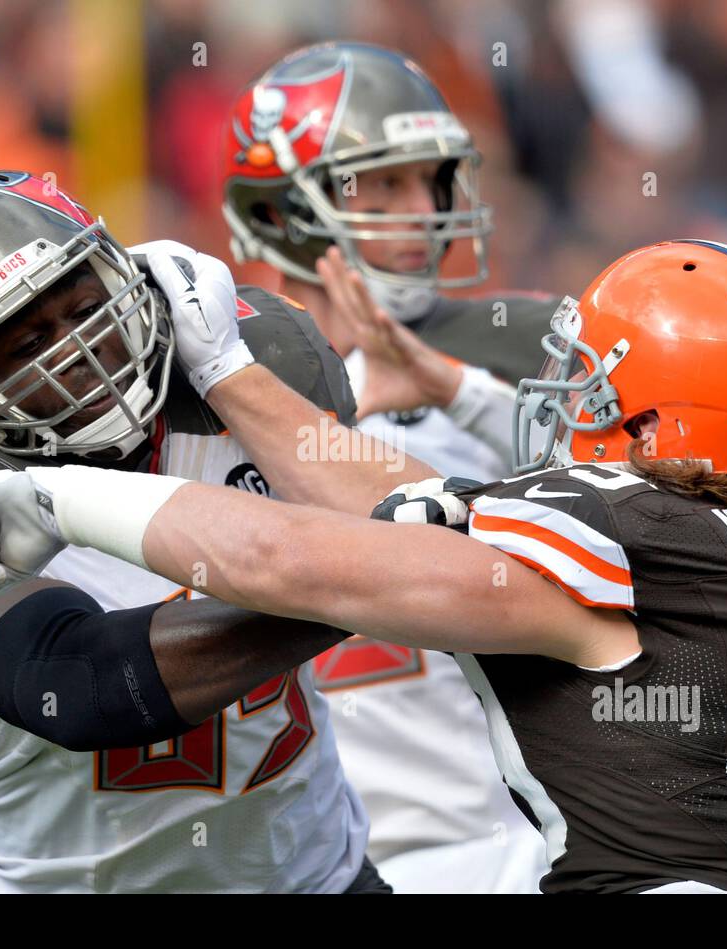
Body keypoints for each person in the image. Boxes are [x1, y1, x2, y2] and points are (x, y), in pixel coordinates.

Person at [0, 238, 727, 893]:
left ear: (652, 421)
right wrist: (233, 371)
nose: (565, 404)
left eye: (592, 384)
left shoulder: (629, 529)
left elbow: (292, 559)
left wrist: (61, 495)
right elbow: (410, 504)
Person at [0, 169, 435, 892]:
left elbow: (418, 511)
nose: (80, 349)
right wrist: (376, 582)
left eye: (86, 306)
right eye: (28, 342)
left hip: (318, 876)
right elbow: (83, 685)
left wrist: (231, 373)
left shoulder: (253, 357)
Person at [222, 40, 552, 890]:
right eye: (381, 183)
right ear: (281, 208)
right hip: (317, 853)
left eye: (428, 181)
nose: (419, 211)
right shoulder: (219, 386)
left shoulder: (525, 347)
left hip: (508, 837)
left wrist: (460, 395)